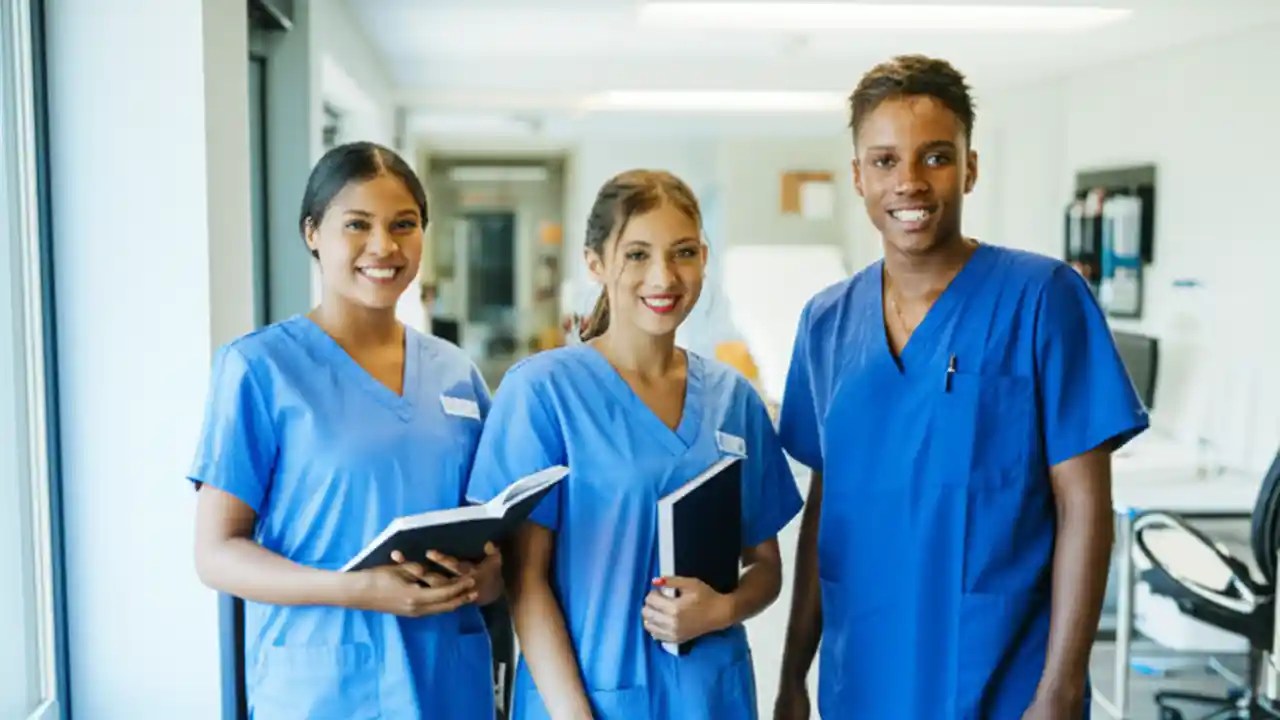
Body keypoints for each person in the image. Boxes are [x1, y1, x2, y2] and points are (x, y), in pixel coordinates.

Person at [773, 56, 1149, 720]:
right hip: (860, 678)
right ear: (858, 176)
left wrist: (1060, 690)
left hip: (1002, 679)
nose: (910, 182)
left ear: (971, 167)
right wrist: (791, 677)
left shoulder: (1042, 298)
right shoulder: (827, 323)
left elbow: (1085, 507)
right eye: (885, 161)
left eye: (936, 157)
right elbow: (823, 509)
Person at [467, 169, 803, 719]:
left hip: (712, 698)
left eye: (684, 253)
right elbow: (523, 581)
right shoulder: (544, 392)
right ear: (595, 262)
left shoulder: (733, 400)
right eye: (638, 254)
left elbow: (766, 566)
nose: (664, 276)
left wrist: (722, 609)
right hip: (588, 700)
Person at [189, 141, 503, 719]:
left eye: (403, 225)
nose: (383, 246)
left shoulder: (455, 373)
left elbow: (490, 525)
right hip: (324, 686)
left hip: (446, 681)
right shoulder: (259, 369)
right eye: (357, 224)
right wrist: (356, 590)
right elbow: (216, 554)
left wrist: (490, 577)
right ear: (312, 232)